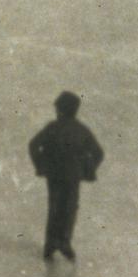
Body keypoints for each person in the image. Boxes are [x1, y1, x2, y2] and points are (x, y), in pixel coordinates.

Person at [29, 91, 104, 261]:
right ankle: (64, 243)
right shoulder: (82, 130)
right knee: (69, 209)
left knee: (54, 207)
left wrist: (40, 166)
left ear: (60, 110)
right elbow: (98, 153)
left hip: (54, 176)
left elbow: (33, 145)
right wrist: (88, 170)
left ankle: (50, 244)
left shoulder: (52, 128)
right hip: (72, 177)